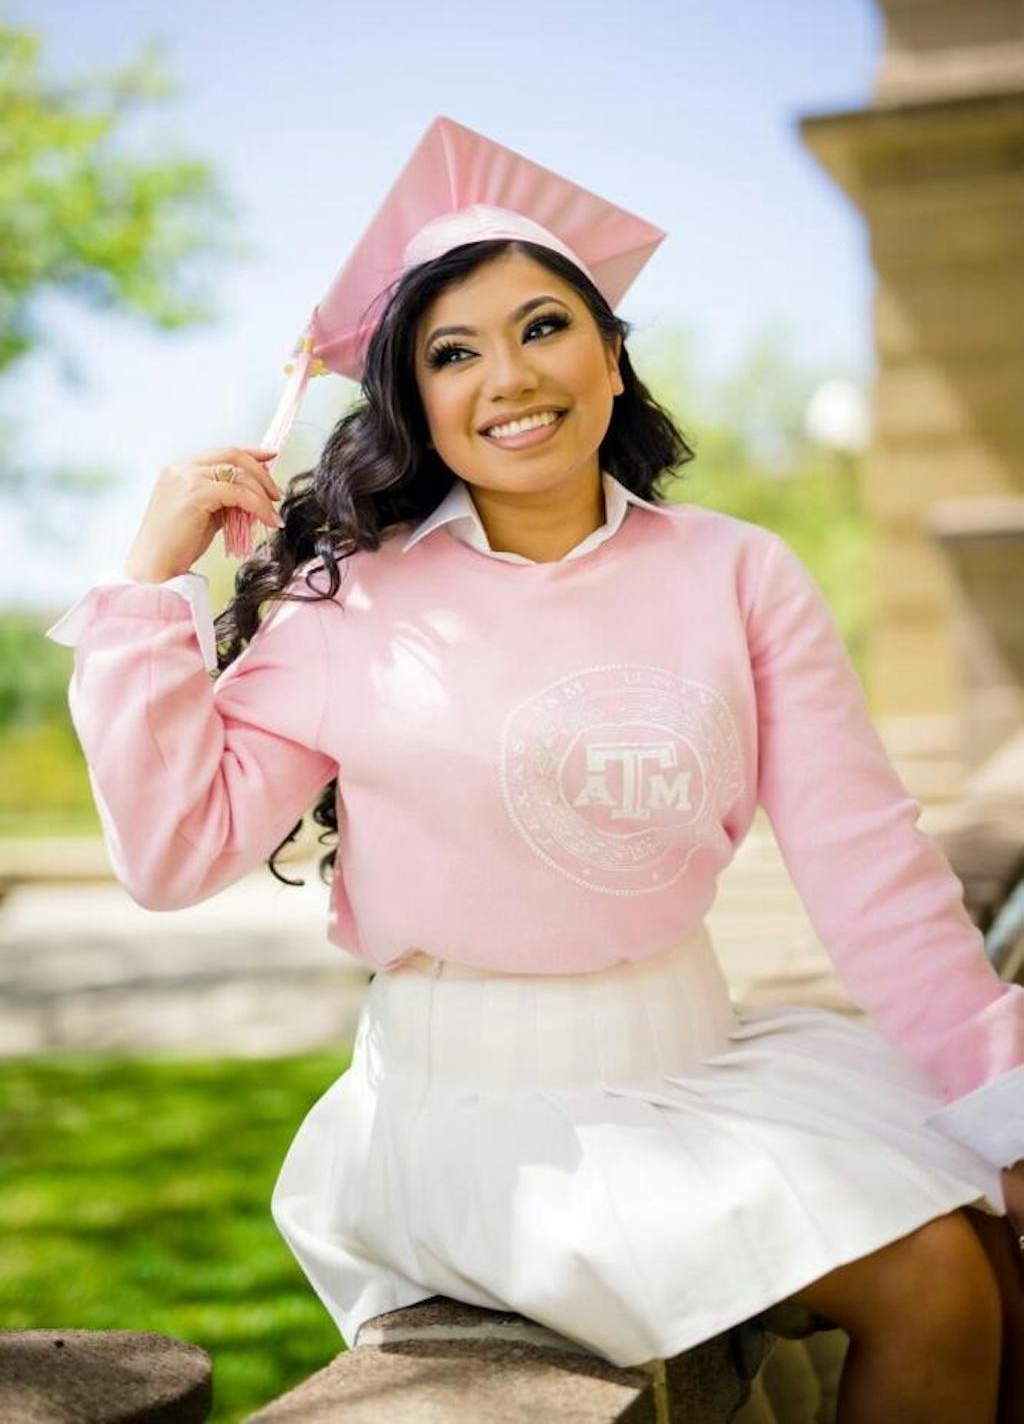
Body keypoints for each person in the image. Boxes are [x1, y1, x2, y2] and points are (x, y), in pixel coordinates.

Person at [46, 116, 1024, 1423]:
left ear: (612, 358)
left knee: (999, 1262)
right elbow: (172, 854)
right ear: (418, 404)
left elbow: (869, 864)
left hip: (706, 1058)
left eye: (543, 326)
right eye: (454, 352)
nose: (508, 374)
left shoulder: (739, 572)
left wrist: (999, 1092)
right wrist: (143, 583)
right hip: (486, 1119)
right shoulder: (355, 608)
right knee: (934, 1289)